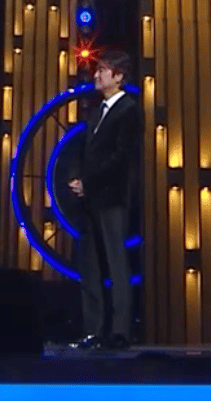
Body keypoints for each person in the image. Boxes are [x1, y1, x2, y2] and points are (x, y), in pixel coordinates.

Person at [67, 50, 141, 350]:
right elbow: (84, 150)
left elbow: (120, 158)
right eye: (97, 70)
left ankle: (120, 331)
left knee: (115, 262)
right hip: (90, 201)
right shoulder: (96, 111)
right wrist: (77, 178)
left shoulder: (129, 110)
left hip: (111, 198)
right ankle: (93, 330)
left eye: (103, 71)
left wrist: (90, 182)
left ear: (118, 76)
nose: (96, 75)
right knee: (91, 266)